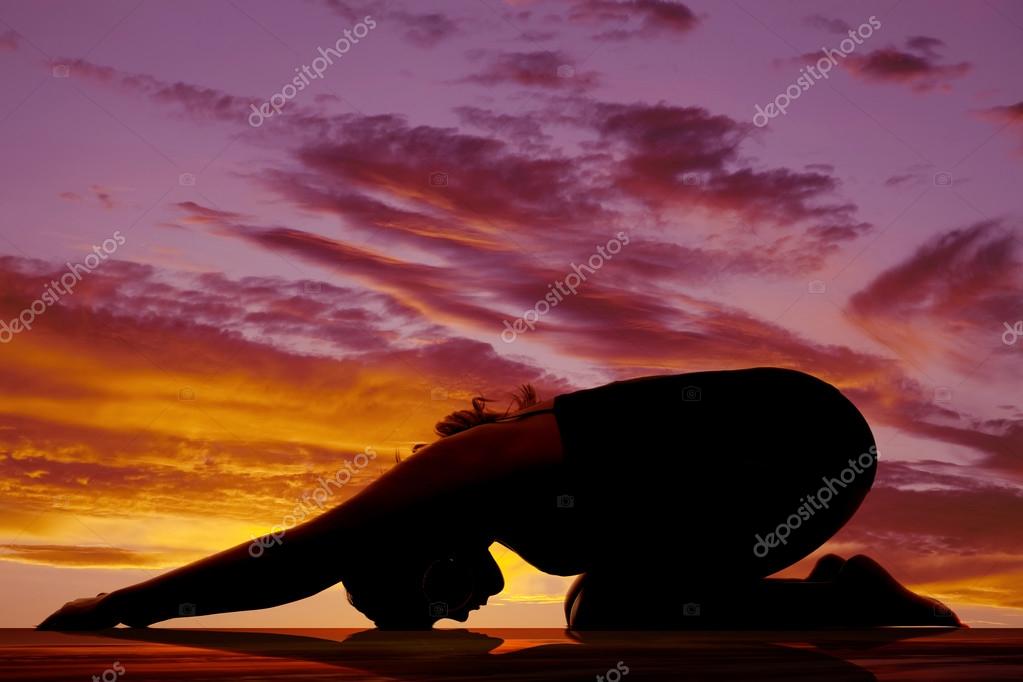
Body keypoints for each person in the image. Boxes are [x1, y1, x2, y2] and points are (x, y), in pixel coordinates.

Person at [37, 367, 961, 630]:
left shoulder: (472, 469)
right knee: (606, 609)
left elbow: (295, 559)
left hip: (793, 437)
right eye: (445, 620)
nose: (461, 609)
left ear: (408, 545)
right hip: (762, 493)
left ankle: (844, 590)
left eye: (435, 599)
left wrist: (118, 606)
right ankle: (848, 594)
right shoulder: (534, 524)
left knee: (606, 600)